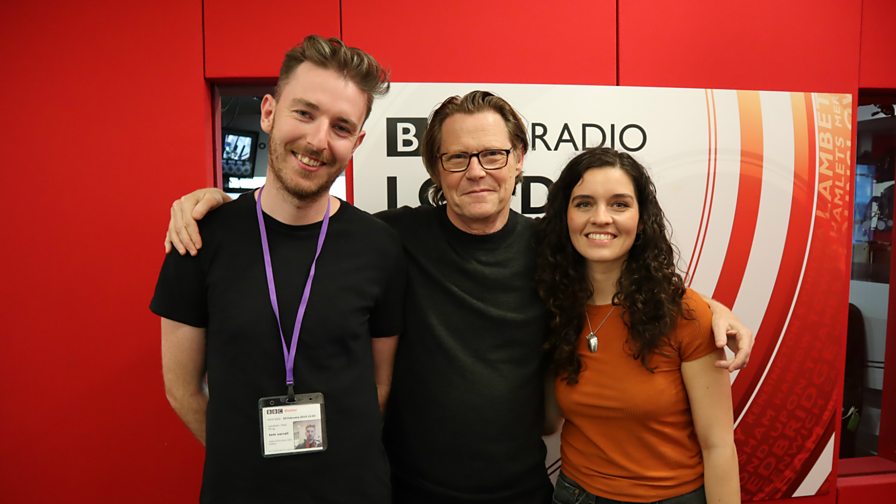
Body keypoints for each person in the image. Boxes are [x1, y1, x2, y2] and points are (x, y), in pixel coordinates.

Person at [164, 91, 752, 503]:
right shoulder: (385, 239)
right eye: (457, 158)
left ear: (519, 160)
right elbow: (299, 220)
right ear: (435, 168)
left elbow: (625, 272)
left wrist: (714, 313)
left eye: (493, 154)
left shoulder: (552, 248)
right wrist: (216, 204)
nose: (477, 171)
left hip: (524, 490)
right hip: (406, 490)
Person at [151, 35, 404, 503]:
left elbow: (380, 384)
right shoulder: (200, 238)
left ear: (358, 141)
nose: (317, 140)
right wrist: (244, 459)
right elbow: (180, 387)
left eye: (341, 126)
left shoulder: (380, 246)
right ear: (269, 112)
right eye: (304, 113)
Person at [536, 148, 740, 503]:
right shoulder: (555, 306)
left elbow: (719, 444)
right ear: (564, 216)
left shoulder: (685, 313)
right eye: (584, 203)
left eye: (619, 204)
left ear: (642, 218)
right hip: (575, 494)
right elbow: (549, 422)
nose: (601, 218)